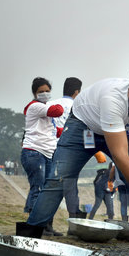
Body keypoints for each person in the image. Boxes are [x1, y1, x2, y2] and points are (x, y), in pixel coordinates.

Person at [19, 66, 129, 256]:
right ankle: (27, 242)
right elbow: (120, 155)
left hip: (127, 132)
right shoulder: (112, 99)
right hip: (84, 126)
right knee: (58, 181)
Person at [21, 77, 64, 236]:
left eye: (47, 91)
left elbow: (55, 131)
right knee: (38, 189)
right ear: (35, 93)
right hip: (34, 152)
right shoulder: (35, 106)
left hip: (47, 153)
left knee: (47, 191)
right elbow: (58, 111)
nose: (45, 94)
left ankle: (46, 226)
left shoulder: (45, 111)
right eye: (41, 91)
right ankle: (34, 227)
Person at [49, 77, 85, 218]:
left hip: (49, 149)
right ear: (77, 91)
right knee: (70, 186)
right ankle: (74, 219)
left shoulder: (51, 104)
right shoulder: (78, 106)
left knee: (50, 186)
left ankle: (46, 223)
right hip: (67, 151)